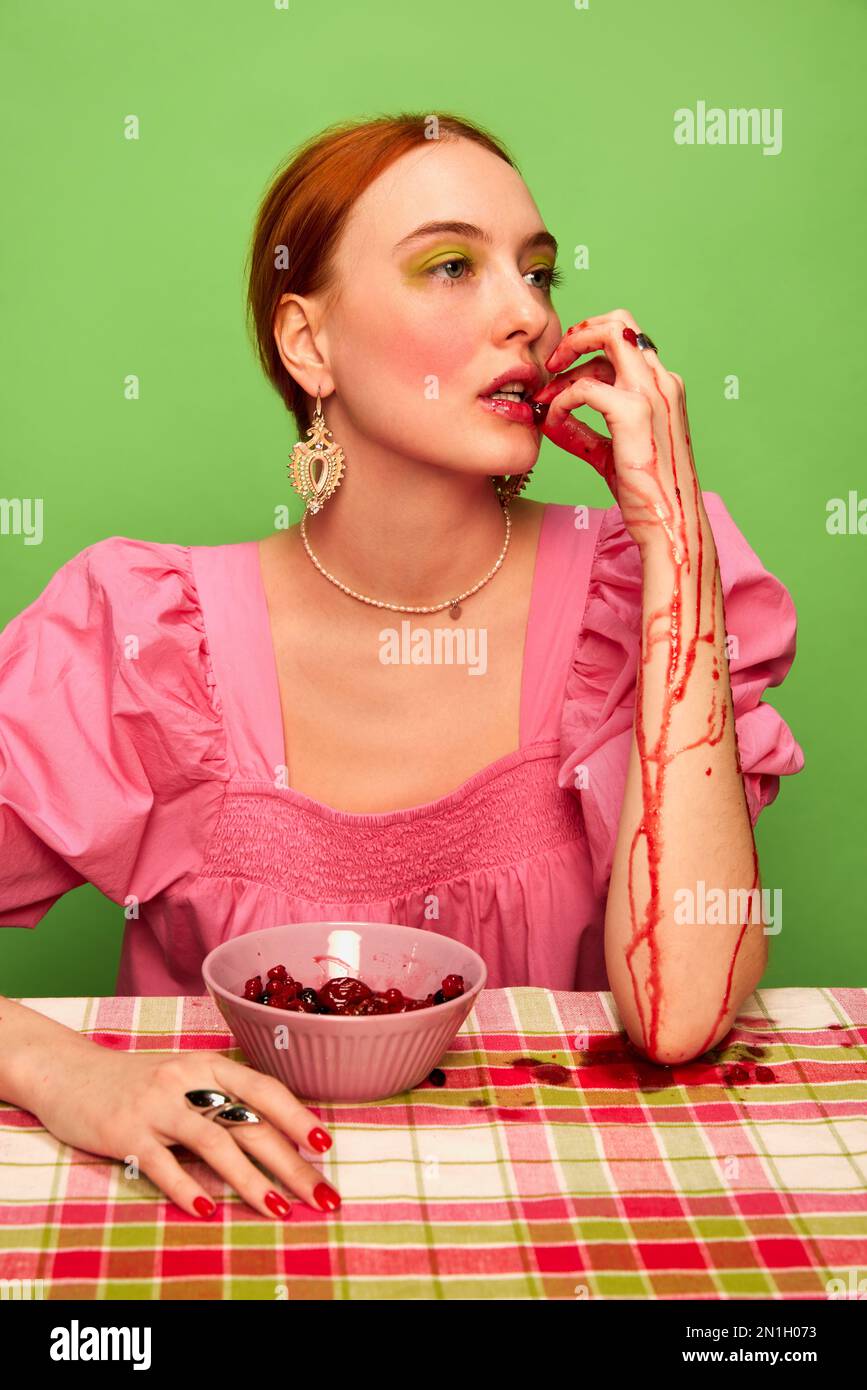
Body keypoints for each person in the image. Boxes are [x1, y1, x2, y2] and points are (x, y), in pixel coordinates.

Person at [0, 112, 805, 1222]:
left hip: (557, 1236)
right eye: (450, 265)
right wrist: (65, 1069)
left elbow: (678, 1018)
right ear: (307, 344)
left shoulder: (636, 595)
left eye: (535, 272)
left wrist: (674, 541)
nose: (528, 313)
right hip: (224, 1241)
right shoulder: (143, 633)